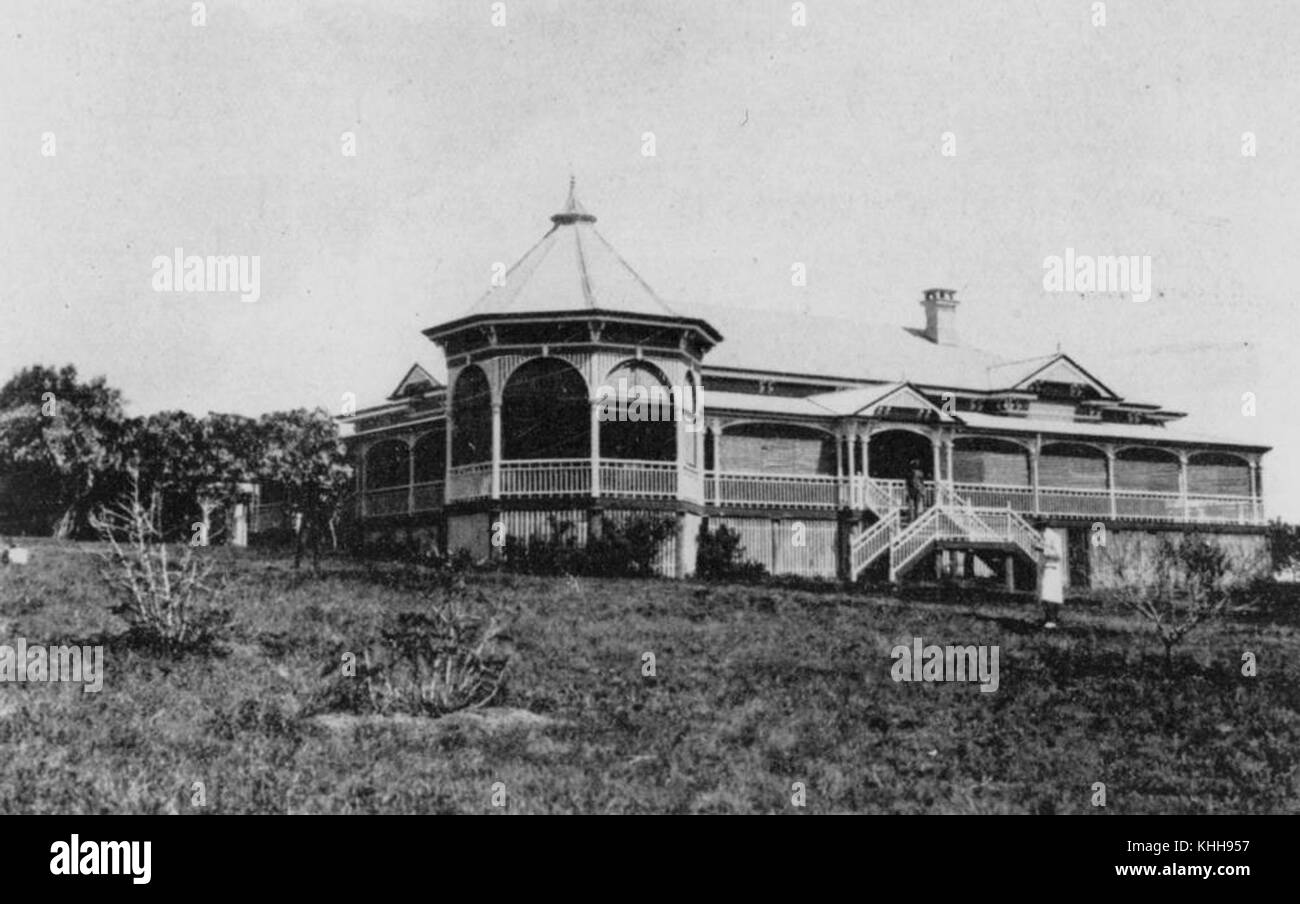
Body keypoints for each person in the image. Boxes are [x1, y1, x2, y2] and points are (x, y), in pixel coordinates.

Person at [1035, 520, 1064, 628]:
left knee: (1050, 595)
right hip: (1044, 568)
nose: (1041, 530)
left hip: (1052, 569)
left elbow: (1058, 555)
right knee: (1044, 595)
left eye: (1042, 527)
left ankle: (1052, 619)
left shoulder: (1054, 537)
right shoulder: (1042, 538)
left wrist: (1044, 550)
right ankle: (1048, 618)